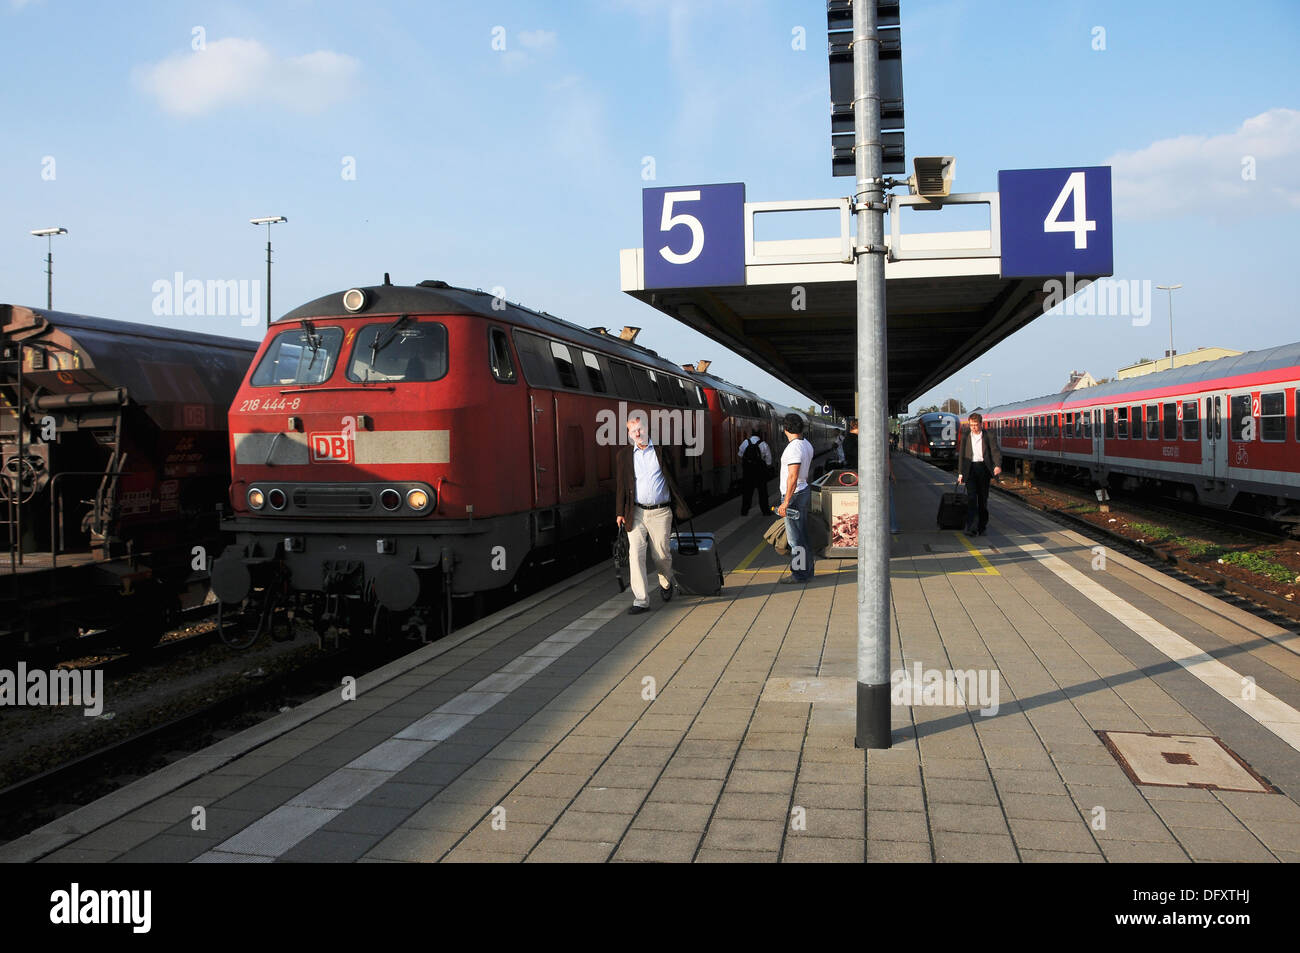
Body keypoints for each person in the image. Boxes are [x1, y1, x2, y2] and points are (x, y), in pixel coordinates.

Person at [615, 412, 692, 614]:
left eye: (640, 429)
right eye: (633, 430)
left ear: (647, 428)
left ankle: (665, 582)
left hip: (661, 512)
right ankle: (641, 600)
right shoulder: (624, 456)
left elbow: (672, 478)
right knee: (636, 555)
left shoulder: (661, 451)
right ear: (628, 433)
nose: (637, 433)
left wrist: (679, 503)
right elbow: (621, 486)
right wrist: (619, 512)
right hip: (636, 512)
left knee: (661, 556)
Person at [775, 413, 815, 583]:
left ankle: (799, 574)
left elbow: (793, 476)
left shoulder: (794, 448)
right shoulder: (806, 444)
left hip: (795, 495)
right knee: (803, 535)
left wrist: (786, 502)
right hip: (802, 490)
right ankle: (807, 571)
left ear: (785, 429)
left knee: (795, 539)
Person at [956, 411, 1002, 536]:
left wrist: (997, 465)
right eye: (971, 425)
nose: (973, 428)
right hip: (970, 469)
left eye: (976, 425)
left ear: (981, 424)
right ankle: (971, 527)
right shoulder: (966, 436)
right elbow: (961, 456)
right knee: (971, 499)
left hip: (983, 469)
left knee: (983, 500)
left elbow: (995, 451)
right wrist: (960, 473)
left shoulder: (988, 435)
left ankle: (982, 526)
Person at [737, 429, 773, 516]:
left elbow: (740, 454)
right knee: (763, 492)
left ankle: (744, 511)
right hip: (760, 471)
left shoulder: (745, 442)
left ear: (751, 435)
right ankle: (765, 511)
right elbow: (769, 461)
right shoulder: (764, 444)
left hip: (748, 472)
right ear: (760, 435)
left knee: (747, 492)